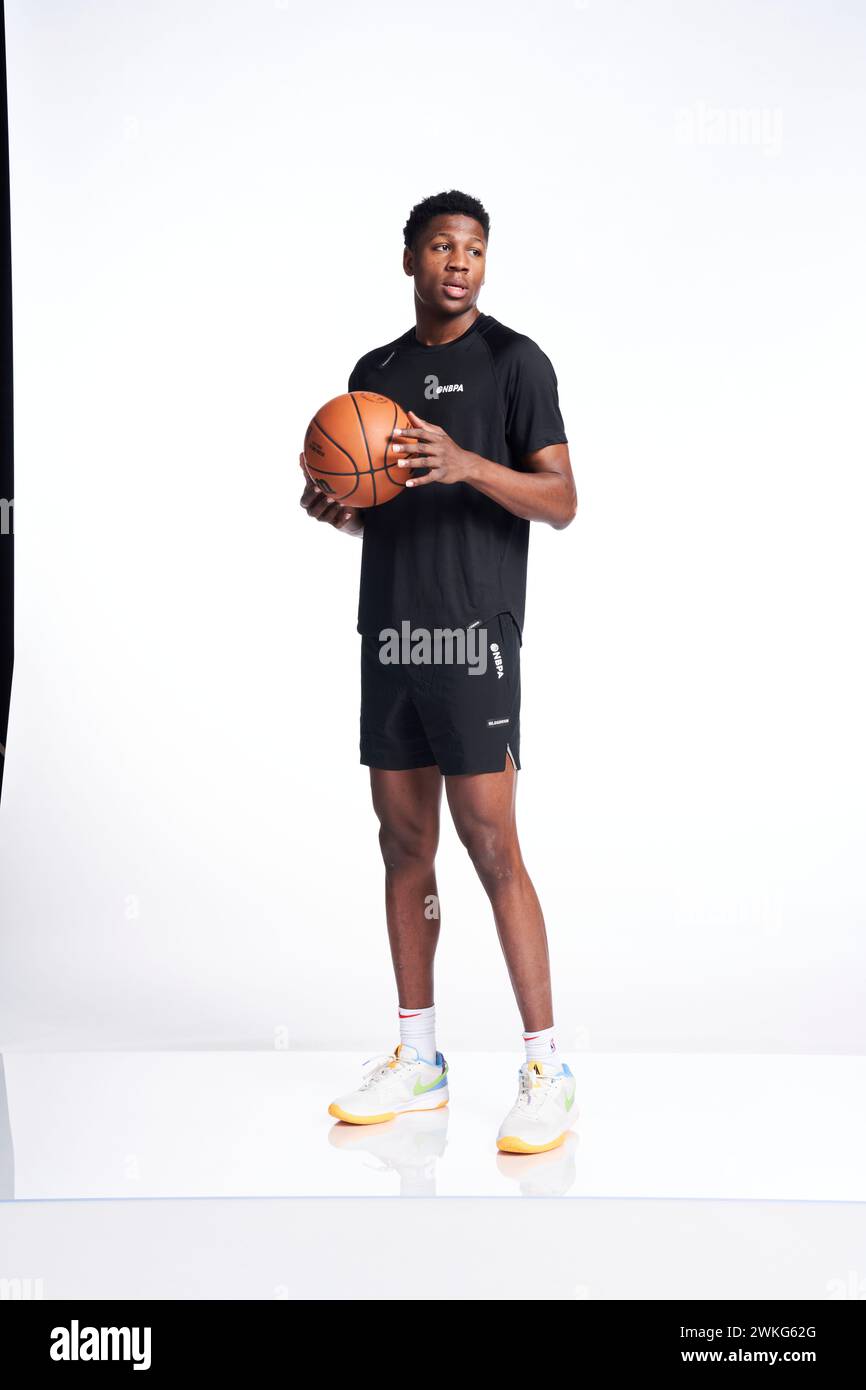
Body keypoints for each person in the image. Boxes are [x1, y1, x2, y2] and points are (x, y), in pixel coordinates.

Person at [300, 189, 578, 1153]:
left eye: (474, 249)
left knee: (492, 845)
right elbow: (382, 505)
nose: (459, 262)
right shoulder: (373, 375)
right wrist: (342, 505)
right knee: (403, 843)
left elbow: (562, 499)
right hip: (391, 633)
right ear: (410, 257)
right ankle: (418, 1058)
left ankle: (546, 1068)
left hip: (474, 637)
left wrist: (467, 463)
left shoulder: (515, 362)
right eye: (441, 246)